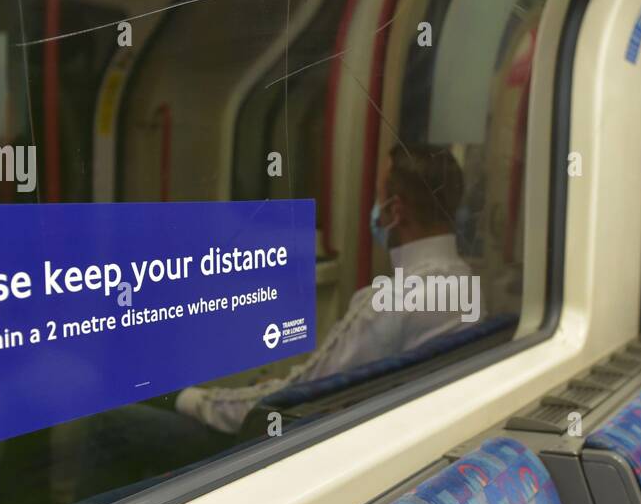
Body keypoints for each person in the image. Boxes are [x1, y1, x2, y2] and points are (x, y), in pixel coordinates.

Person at [176, 143, 480, 432]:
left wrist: (194, 399)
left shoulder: (388, 302)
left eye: (378, 198)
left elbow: (297, 394)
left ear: (396, 211)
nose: (375, 211)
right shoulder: (468, 282)